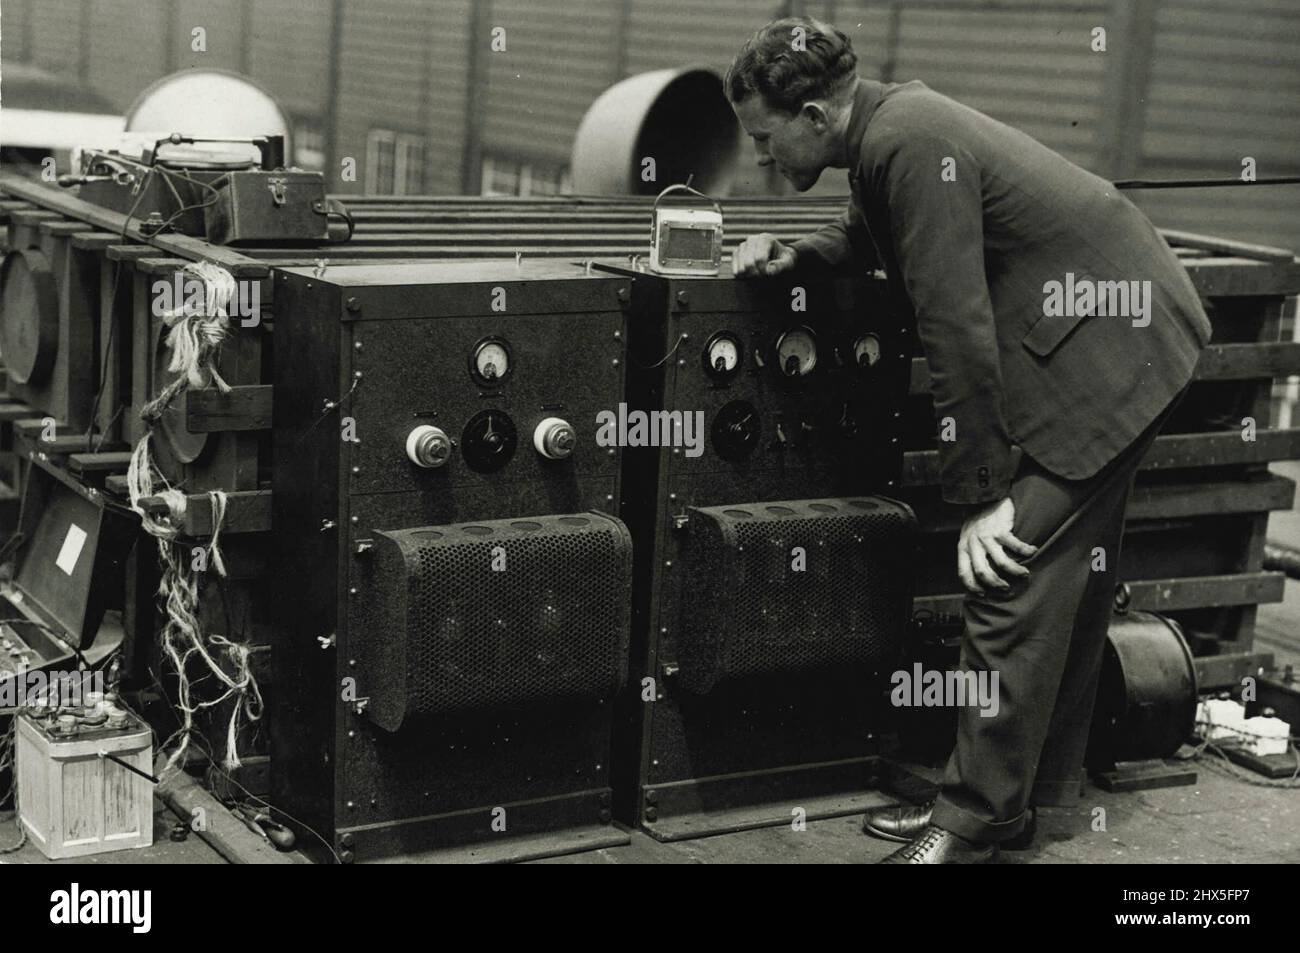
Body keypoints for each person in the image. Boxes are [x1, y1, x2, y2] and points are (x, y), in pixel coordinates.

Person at [726, 17, 1211, 863]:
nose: (764, 160)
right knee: (1067, 588)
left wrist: (986, 495)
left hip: (1110, 352)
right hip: (1122, 333)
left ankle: (973, 819)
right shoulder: (887, 127)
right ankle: (1026, 802)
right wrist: (799, 257)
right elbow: (875, 229)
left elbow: (955, 326)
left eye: (766, 140)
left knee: (1006, 574)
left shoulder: (908, 141)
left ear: (813, 116)